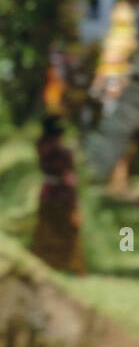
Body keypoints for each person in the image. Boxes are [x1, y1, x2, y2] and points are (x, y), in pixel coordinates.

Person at [30, 116, 86, 275]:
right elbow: (68, 178)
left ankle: (46, 263)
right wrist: (75, 203)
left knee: (46, 231)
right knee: (67, 232)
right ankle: (69, 266)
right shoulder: (62, 152)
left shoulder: (42, 146)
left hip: (47, 194)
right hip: (62, 196)